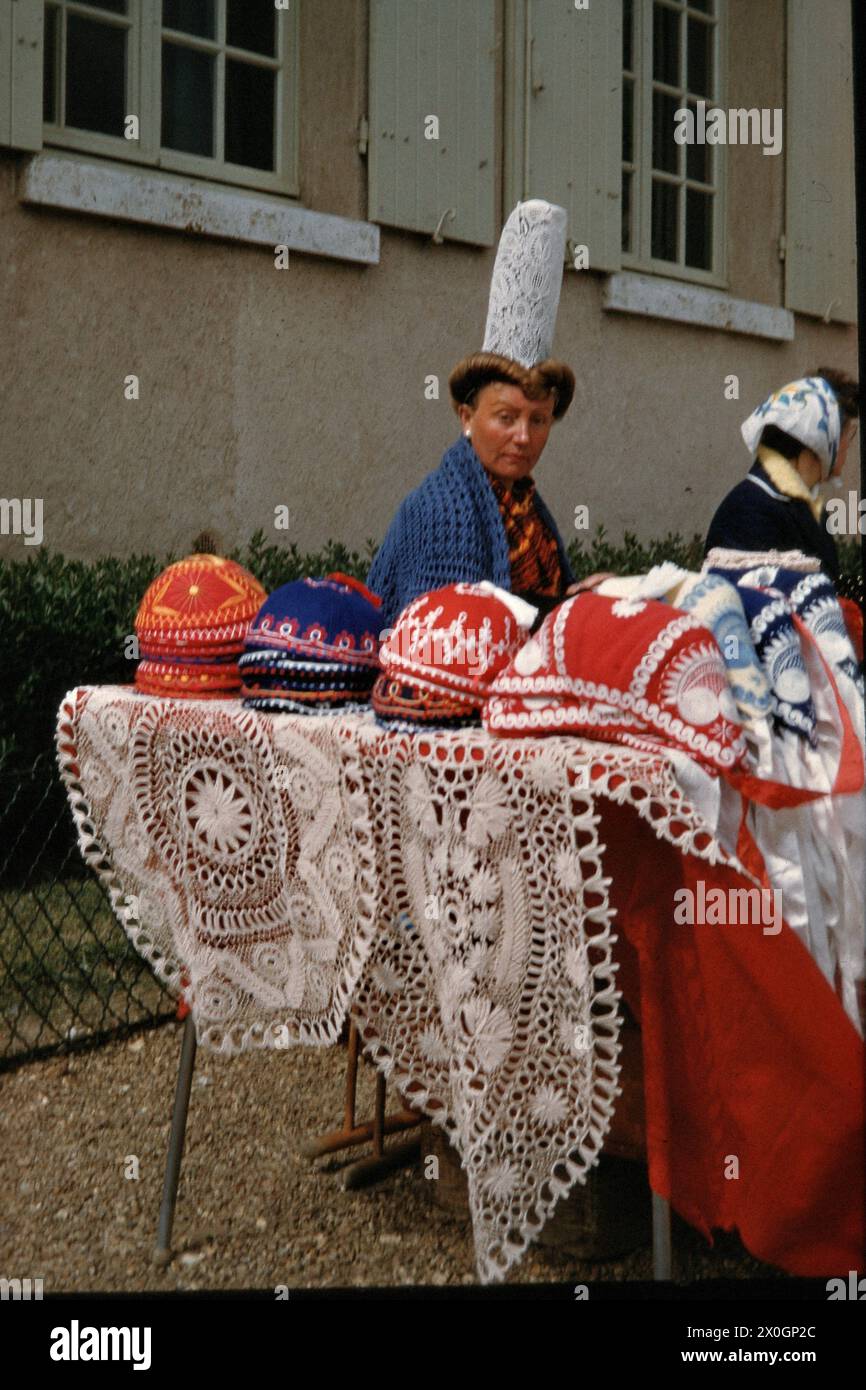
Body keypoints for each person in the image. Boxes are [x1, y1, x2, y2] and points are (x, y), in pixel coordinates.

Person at [367, 201, 578, 631]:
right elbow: (447, 638)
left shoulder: (525, 507)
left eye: (538, 420)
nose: (523, 436)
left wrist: (583, 601)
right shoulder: (441, 512)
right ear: (466, 416)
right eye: (506, 417)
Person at [704, 369, 860, 580]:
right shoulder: (747, 512)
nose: (847, 446)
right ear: (819, 442)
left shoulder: (804, 505)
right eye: (846, 435)